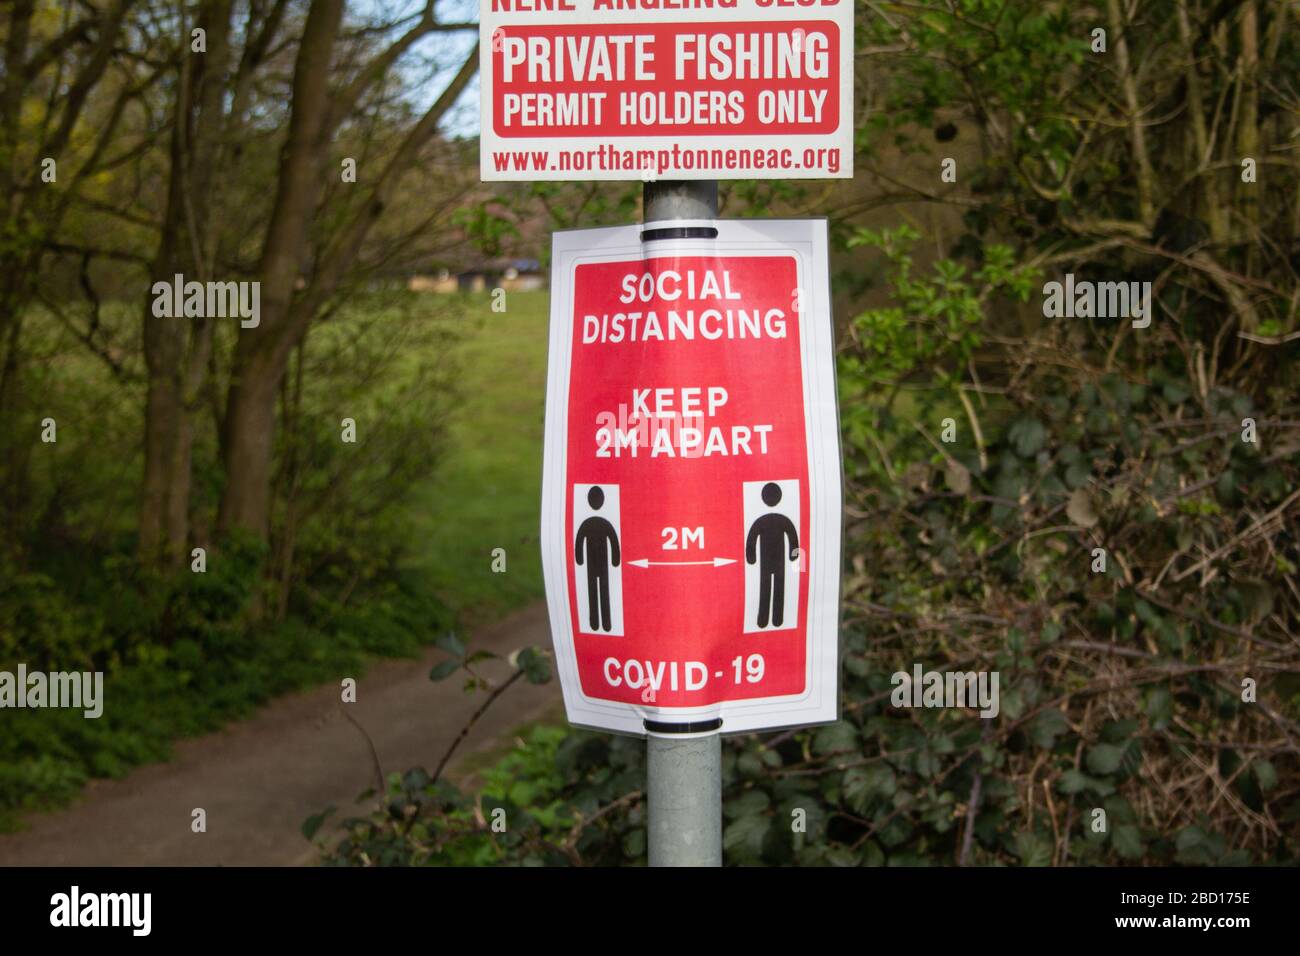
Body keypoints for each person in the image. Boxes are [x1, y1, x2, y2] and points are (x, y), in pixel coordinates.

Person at [745, 482, 799, 628]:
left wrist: (751, 557)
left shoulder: (763, 521)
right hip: (774, 562)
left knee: (770, 588)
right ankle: (772, 619)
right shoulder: (781, 520)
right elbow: (793, 538)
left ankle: (769, 620)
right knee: (773, 588)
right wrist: (793, 555)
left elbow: (793, 538)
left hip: (771, 563)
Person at [575, 486, 620, 632]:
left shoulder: (590, 523)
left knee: (598, 591)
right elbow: (580, 541)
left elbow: (613, 540)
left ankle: (600, 623)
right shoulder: (597, 523)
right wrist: (580, 559)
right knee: (598, 591)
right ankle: (600, 624)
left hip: (597, 564)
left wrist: (615, 559)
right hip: (596, 564)